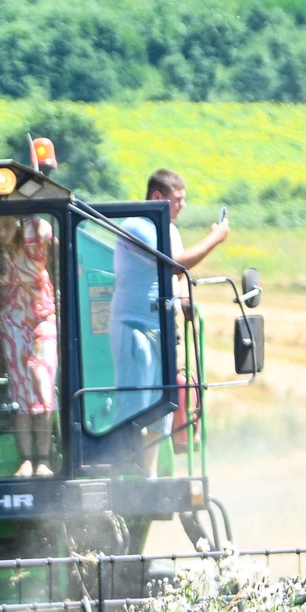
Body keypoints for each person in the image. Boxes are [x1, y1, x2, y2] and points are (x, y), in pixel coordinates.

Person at [112, 168, 230, 438]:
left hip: (161, 329)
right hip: (135, 328)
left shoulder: (169, 230)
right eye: (178, 199)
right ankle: (123, 464)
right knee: (134, 411)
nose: (183, 205)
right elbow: (175, 265)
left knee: (160, 414)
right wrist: (216, 237)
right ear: (157, 197)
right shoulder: (137, 227)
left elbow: (178, 275)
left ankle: (149, 466)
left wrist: (185, 298)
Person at [0, 213, 59, 475]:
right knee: (20, 389)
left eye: (6, 225)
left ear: (17, 223)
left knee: (41, 377)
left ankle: (44, 458)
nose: (1, 232)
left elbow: (56, 243)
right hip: (11, 320)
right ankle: (27, 459)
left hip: (42, 314)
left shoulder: (34, 237)